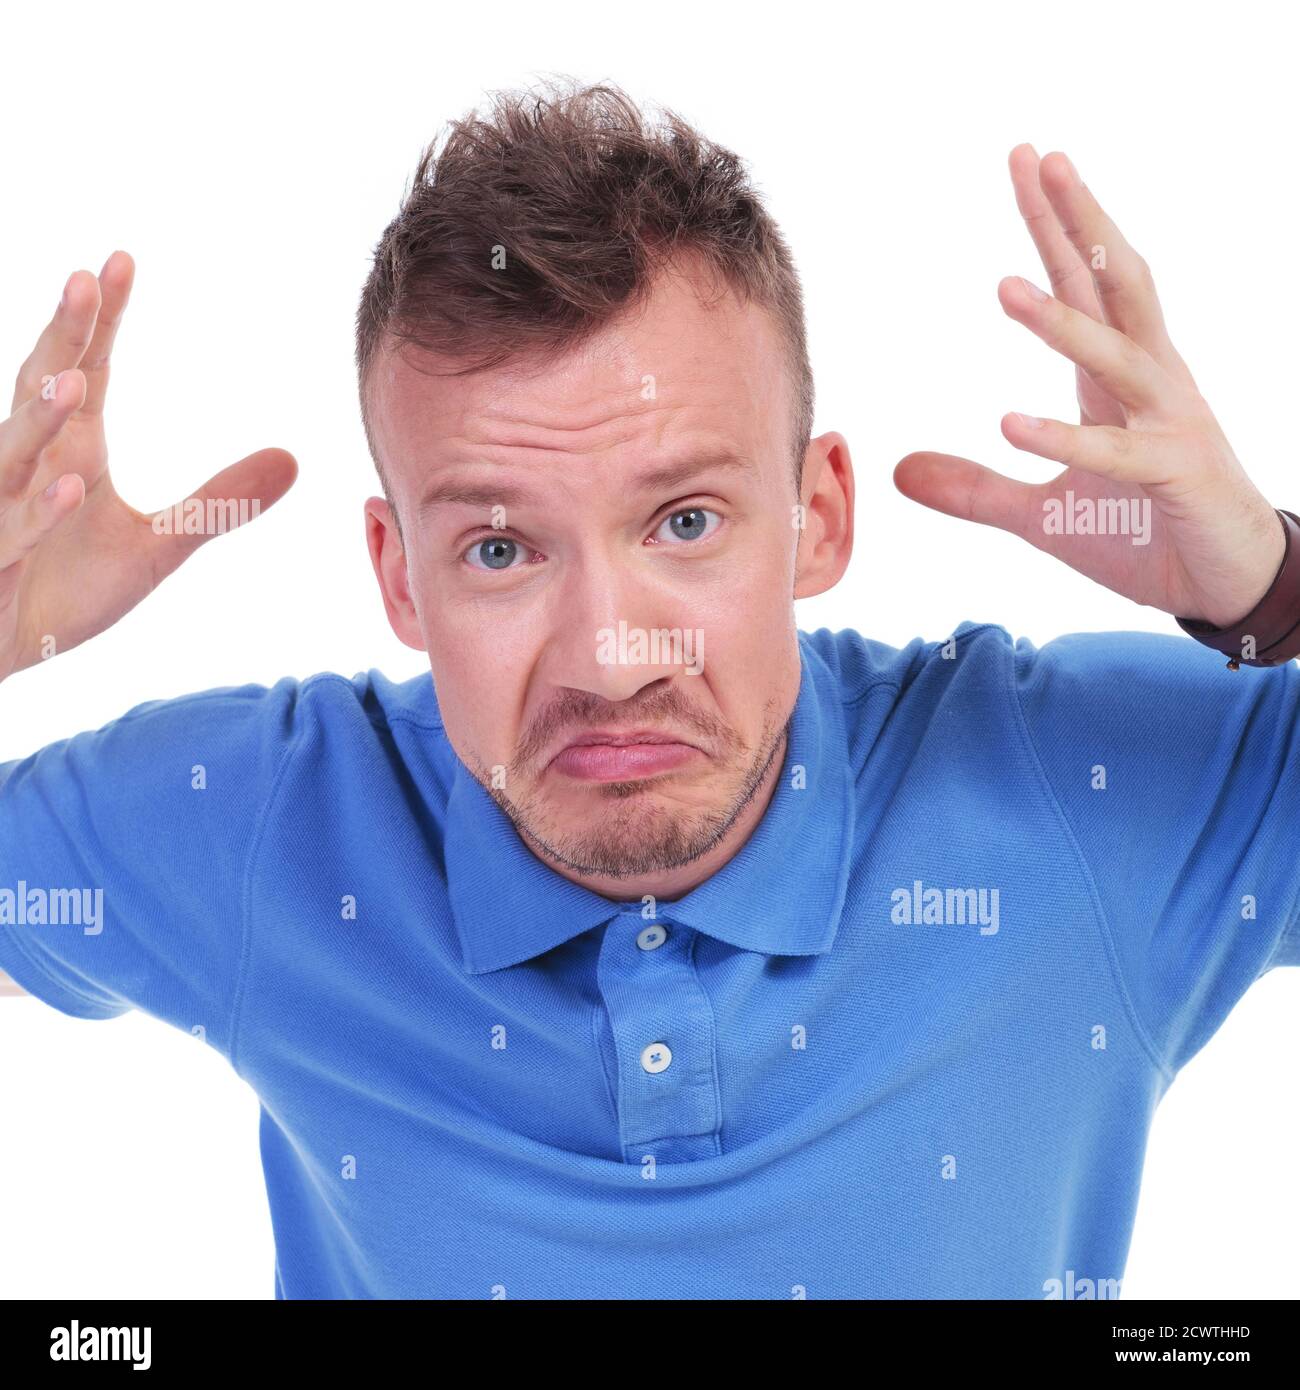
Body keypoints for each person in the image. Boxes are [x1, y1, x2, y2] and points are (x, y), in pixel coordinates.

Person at [1, 79, 1296, 1300]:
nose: (608, 655)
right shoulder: (266, 820)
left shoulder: (1070, 786)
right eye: (500, 549)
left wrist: (1272, 590)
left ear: (818, 515)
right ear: (400, 580)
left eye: (683, 521)